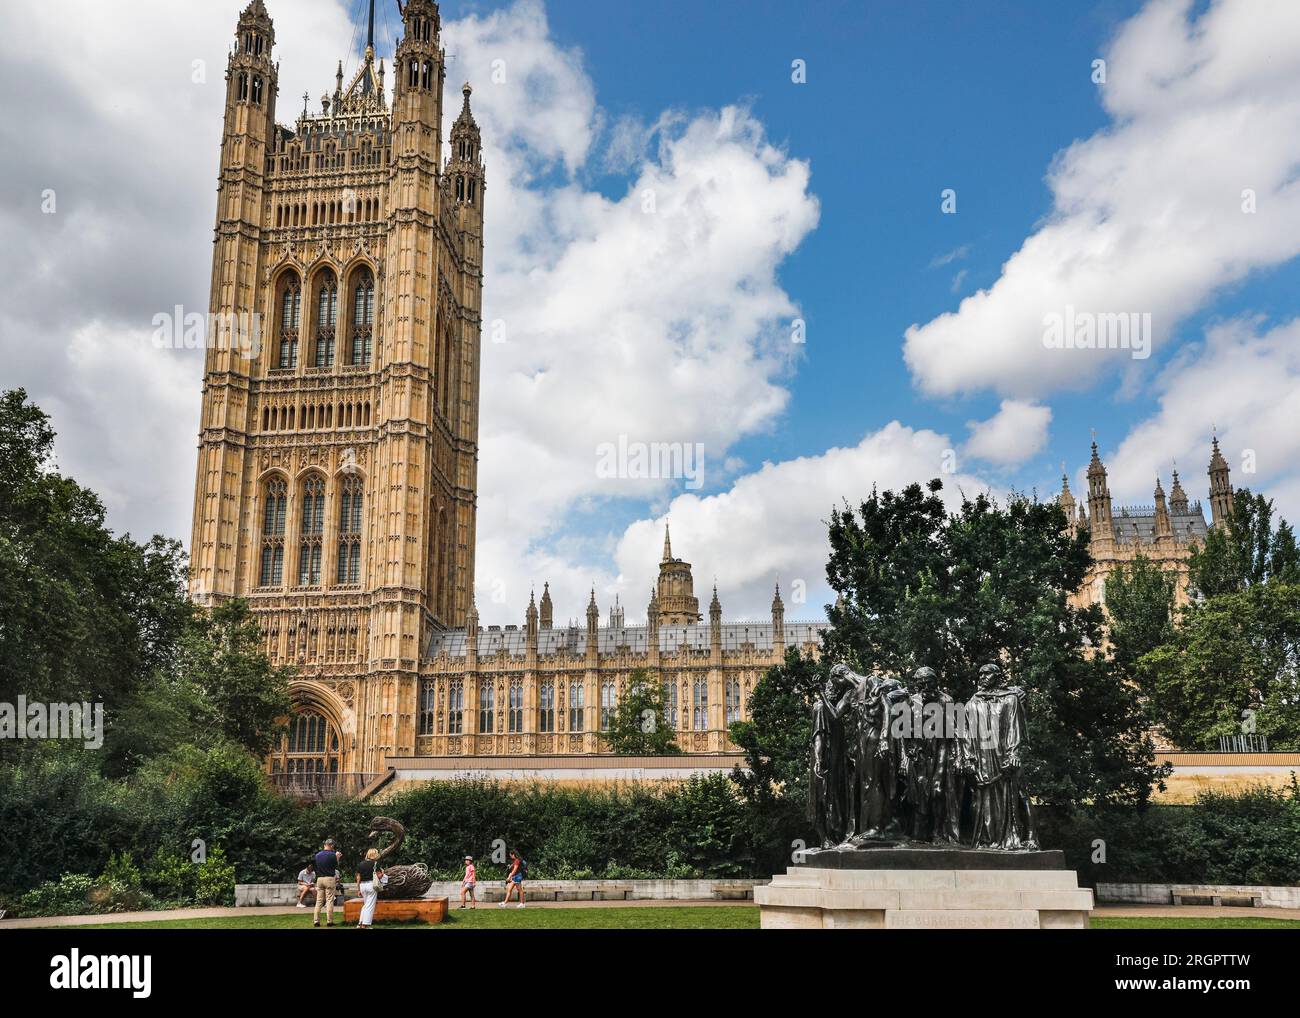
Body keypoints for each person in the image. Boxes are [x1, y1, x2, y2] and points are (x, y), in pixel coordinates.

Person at [312, 838, 344, 928]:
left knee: (319, 901)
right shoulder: (333, 855)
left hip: (319, 879)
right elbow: (335, 866)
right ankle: (329, 921)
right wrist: (337, 857)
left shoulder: (317, 855)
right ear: (332, 845)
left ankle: (316, 921)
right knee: (329, 900)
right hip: (329, 878)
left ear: (324, 845)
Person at [356, 848, 384, 929]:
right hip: (371, 885)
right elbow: (378, 876)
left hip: (362, 886)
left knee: (365, 905)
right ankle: (365, 925)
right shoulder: (375, 864)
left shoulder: (361, 864)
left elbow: (358, 877)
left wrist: (358, 889)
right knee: (370, 905)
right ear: (375, 854)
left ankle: (360, 923)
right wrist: (382, 873)